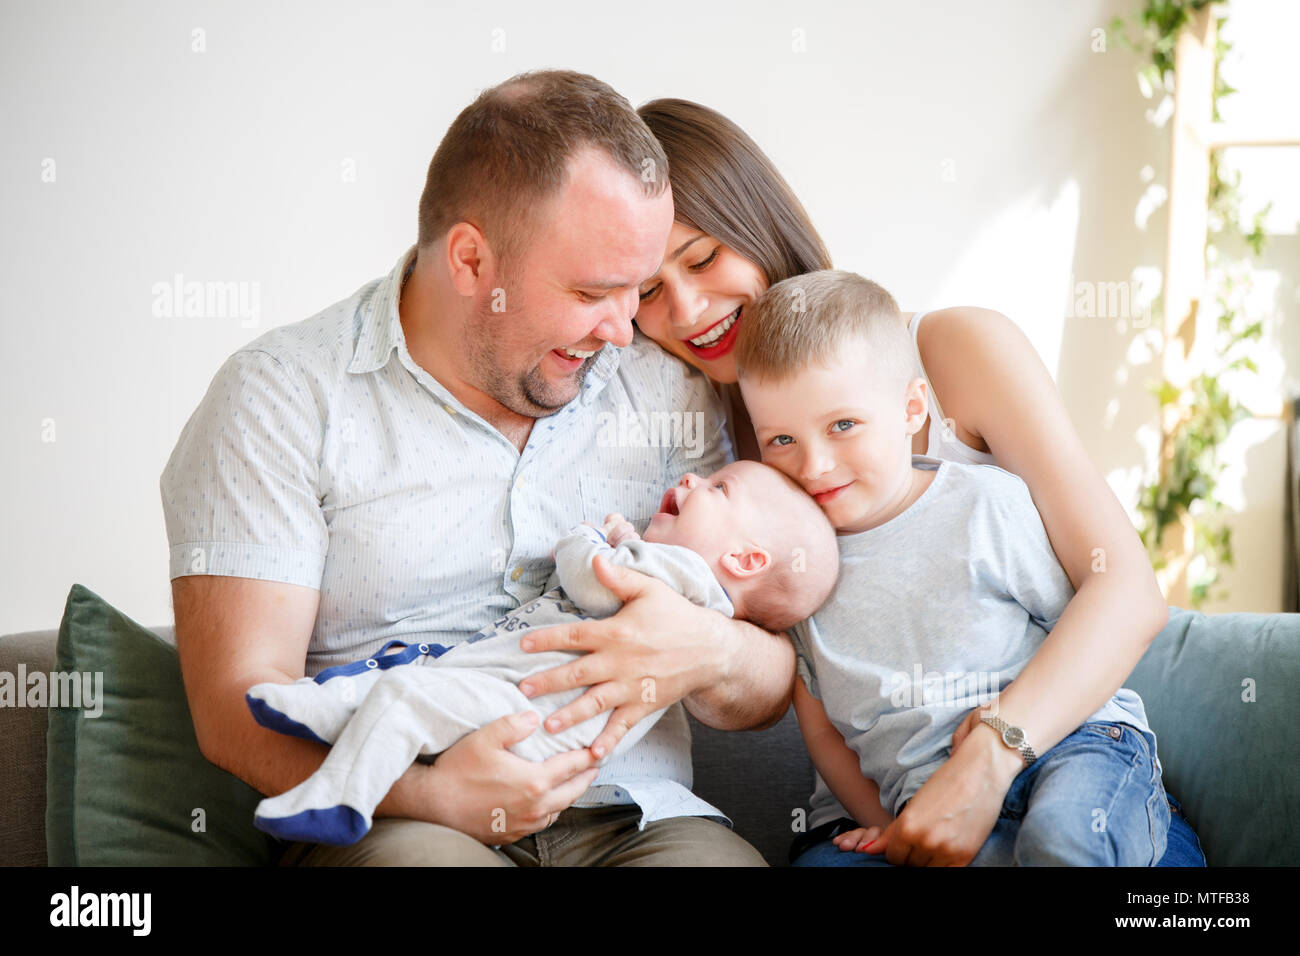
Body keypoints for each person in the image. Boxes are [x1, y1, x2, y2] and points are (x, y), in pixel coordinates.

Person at [160, 71, 801, 867]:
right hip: (405, 817)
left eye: (635, 291)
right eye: (594, 291)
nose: (625, 331)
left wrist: (709, 650)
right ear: (470, 260)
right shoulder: (282, 398)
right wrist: (428, 796)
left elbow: (776, 670)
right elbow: (236, 708)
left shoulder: (663, 382)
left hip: (641, 815)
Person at [622, 96, 1205, 865]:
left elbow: (1124, 588)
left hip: (1055, 763)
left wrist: (988, 758)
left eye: (700, 259)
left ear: (754, 217)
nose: (687, 308)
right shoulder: (699, 462)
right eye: (646, 291)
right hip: (883, 805)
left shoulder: (951, 351)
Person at [735, 270, 1172, 865]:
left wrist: (1003, 743)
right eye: (780, 439)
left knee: (1062, 843)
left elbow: (1082, 617)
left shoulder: (984, 504)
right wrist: (894, 826)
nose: (814, 465)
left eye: (843, 426)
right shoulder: (799, 569)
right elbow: (824, 735)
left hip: (1073, 747)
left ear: (913, 407)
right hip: (920, 793)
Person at [244, 460, 839, 846]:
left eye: (718, 488)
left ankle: (340, 790)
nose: (691, 481)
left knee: (405, 693)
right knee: (411, 692)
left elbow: (591, 577)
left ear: (747, 560)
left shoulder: (678, 575)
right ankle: (316, 714)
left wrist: (592, 537)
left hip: (527, 715)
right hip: (547, 729)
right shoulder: (689, 587)